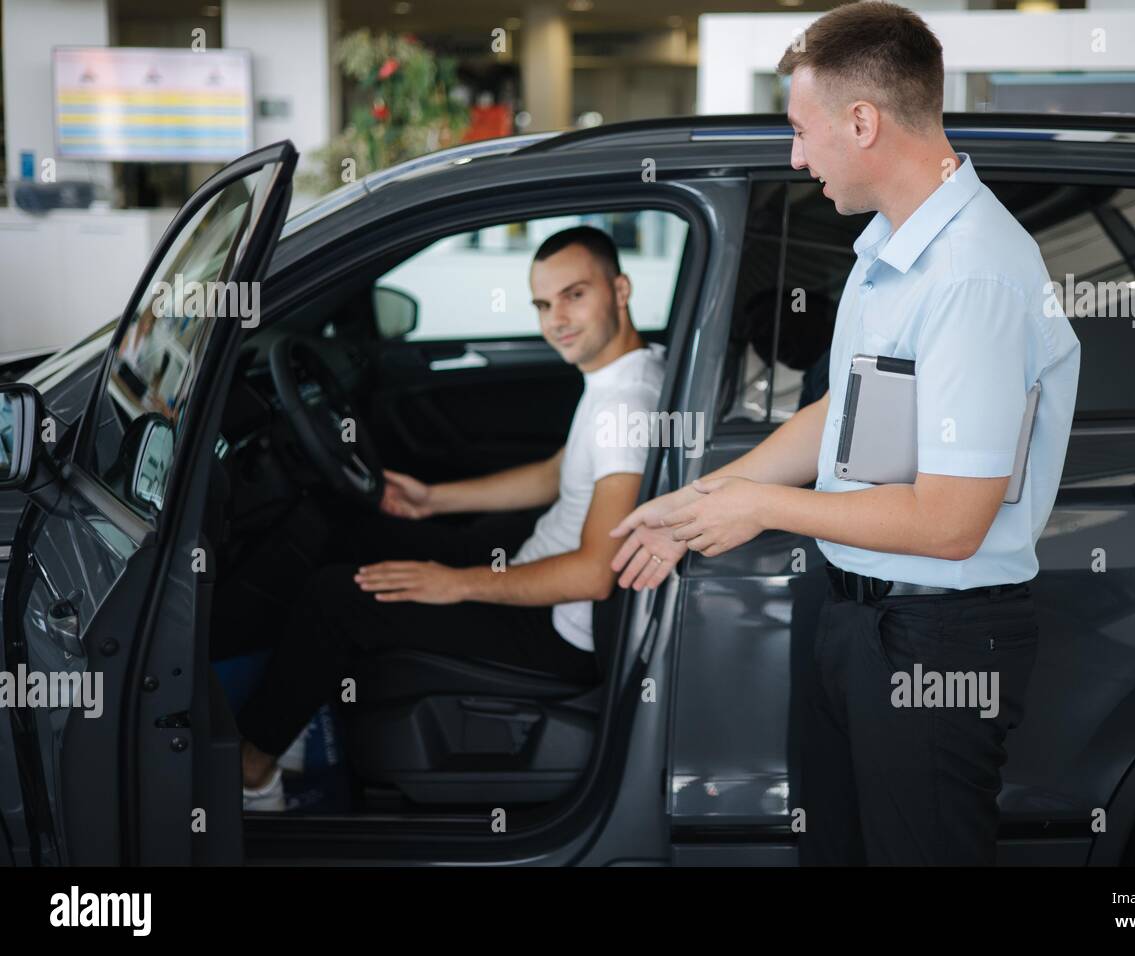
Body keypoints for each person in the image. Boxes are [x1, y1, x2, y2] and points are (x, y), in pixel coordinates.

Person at [610, 0, 1081, 865]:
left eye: (801, 129)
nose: (795, 156)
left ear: (861, 121)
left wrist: (766, 508)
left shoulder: (974, 276)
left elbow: (949, 522)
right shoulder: (887, 250)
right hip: (857, 618)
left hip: (935, 636)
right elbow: (853, 414)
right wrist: (711, 496)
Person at [240, 226, 666, 810]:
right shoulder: (625, 374)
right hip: (537, 570)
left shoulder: (626, 408)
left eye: (574, 295)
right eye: (543, 304)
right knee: (356, 532)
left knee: (333, 599)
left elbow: (594, 573)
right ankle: (293, 717)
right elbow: (555, 475)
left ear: (620, 289)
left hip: (558, 628)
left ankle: (252, 777)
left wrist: (455, 584)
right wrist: (432, 499)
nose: (556, 319)